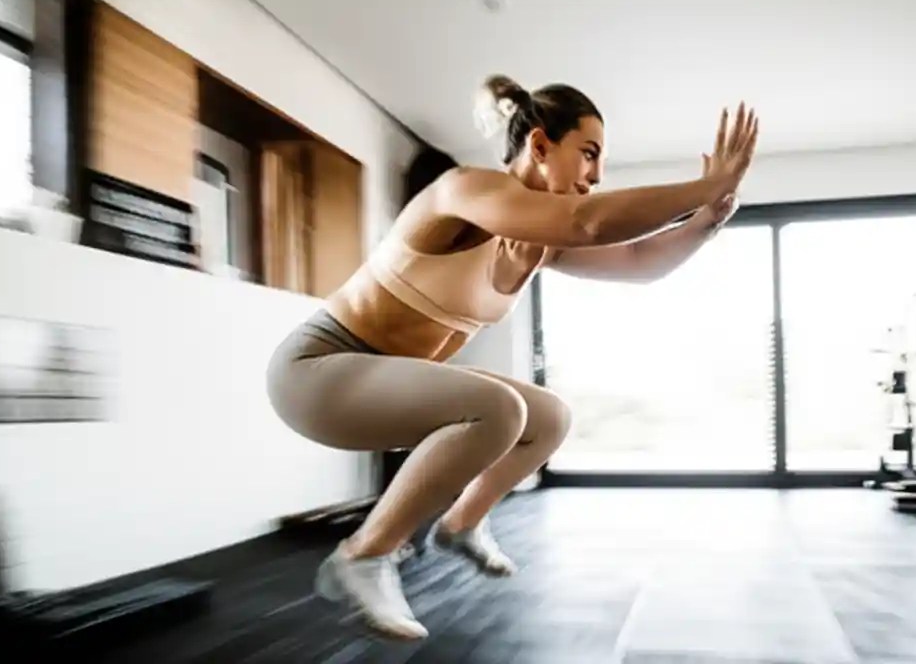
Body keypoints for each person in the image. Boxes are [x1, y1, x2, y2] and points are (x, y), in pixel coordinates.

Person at [265, 74, 759, 640]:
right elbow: (589, 221)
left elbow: (639, 263)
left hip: (380, 379)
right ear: (542, 146)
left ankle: (462, 522)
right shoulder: (462, 191)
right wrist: (702, 185)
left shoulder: (537, 239)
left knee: (550, 417)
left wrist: (707, 220)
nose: (596, 176)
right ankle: (364, 555)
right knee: (499, 409)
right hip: (316, 374)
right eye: (589, 154)